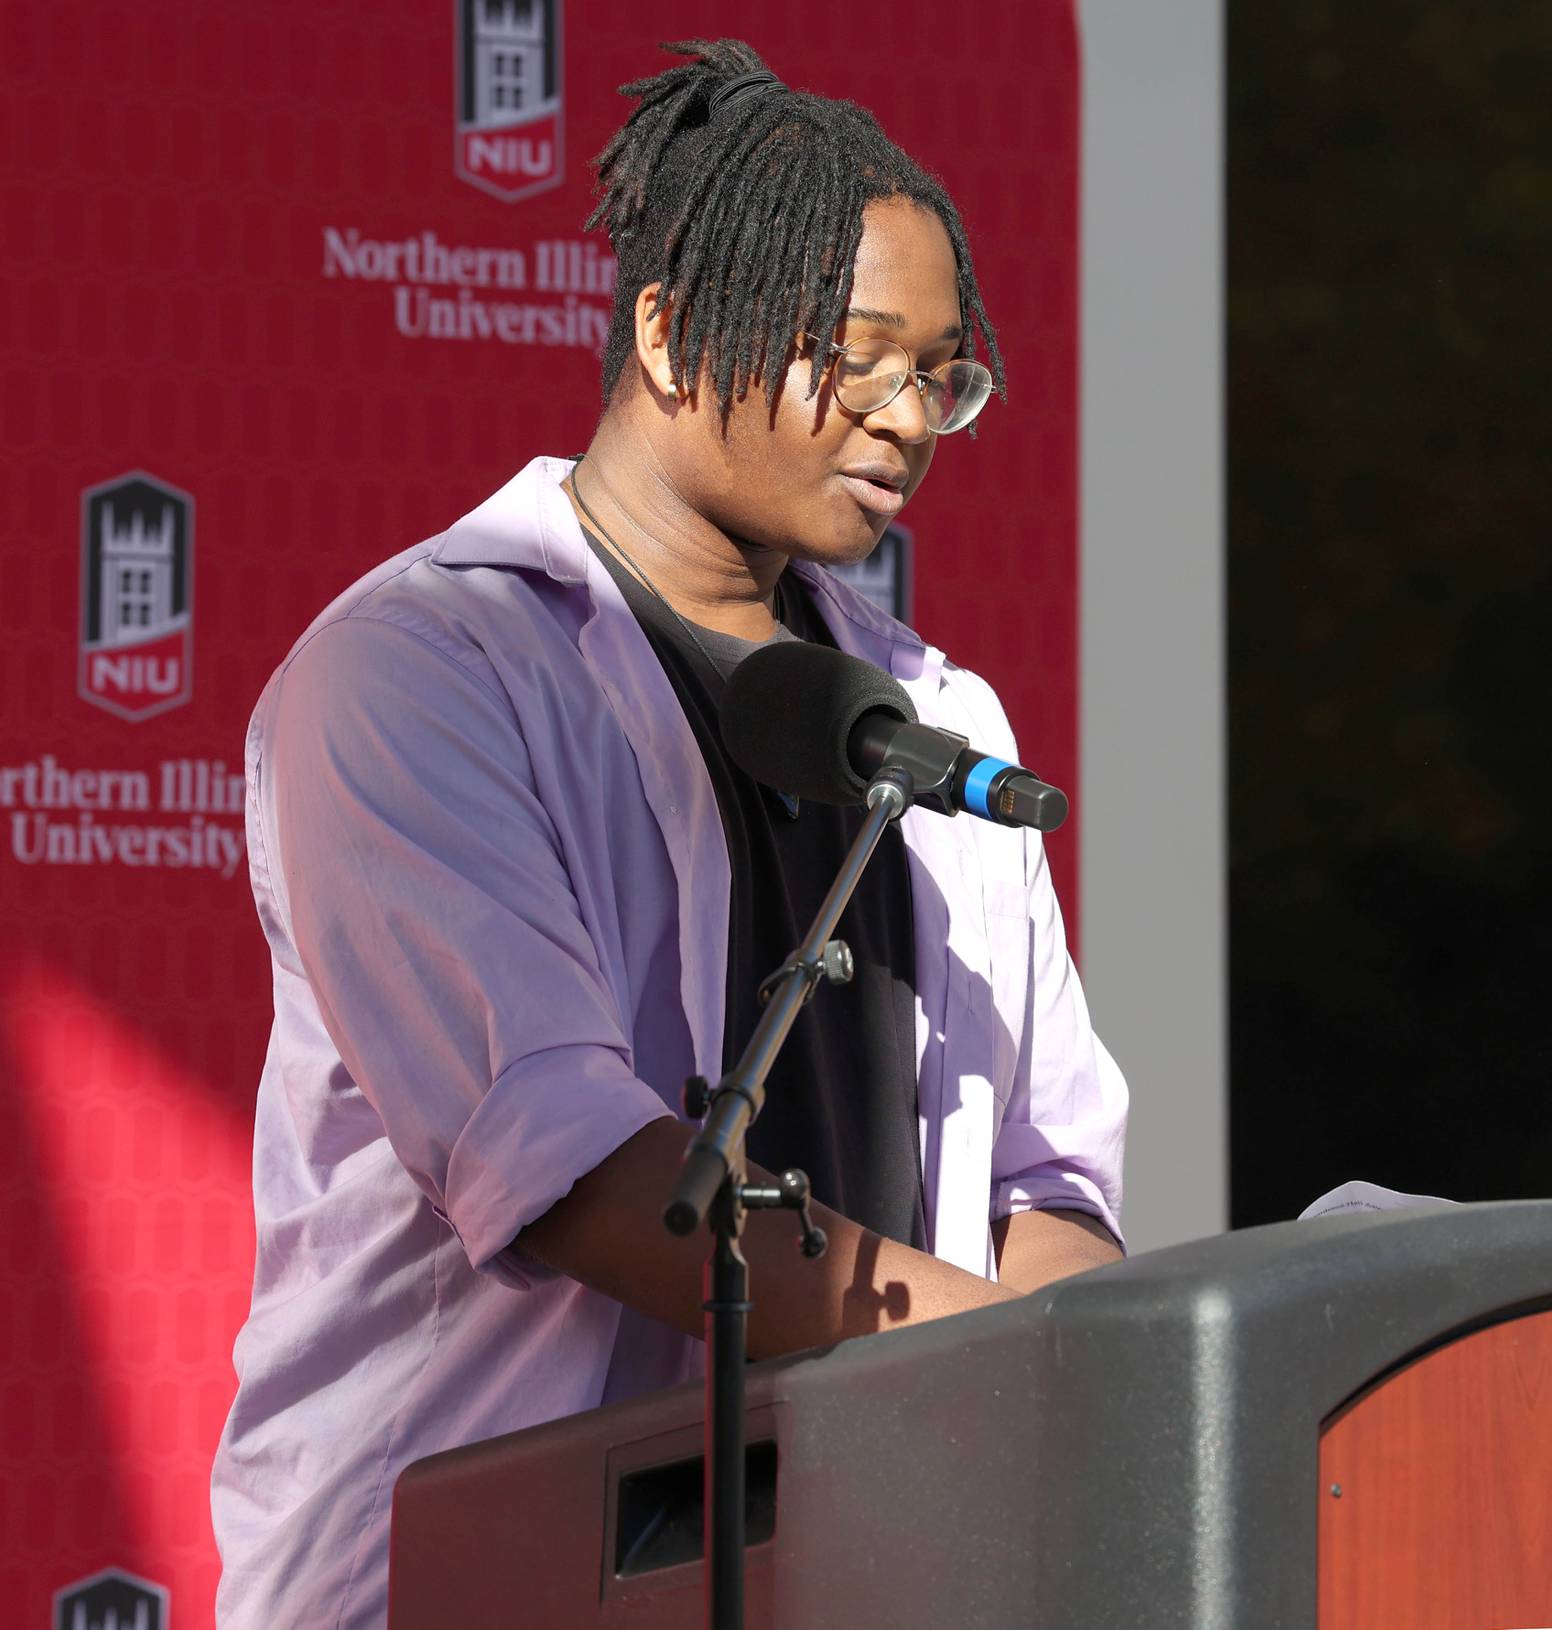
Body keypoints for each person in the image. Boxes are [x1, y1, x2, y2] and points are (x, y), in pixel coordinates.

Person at [212, 38, 1128, 1630]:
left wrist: (1036, 1418)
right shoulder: (422, 673)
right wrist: (1012, 1374)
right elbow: (593, 1178)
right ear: (663, 330)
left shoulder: (942, 723)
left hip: (854, 1575)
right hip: (463, 1581)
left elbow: (1053, 1180)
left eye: (943, 373)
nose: (909, 417)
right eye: (860, 355)